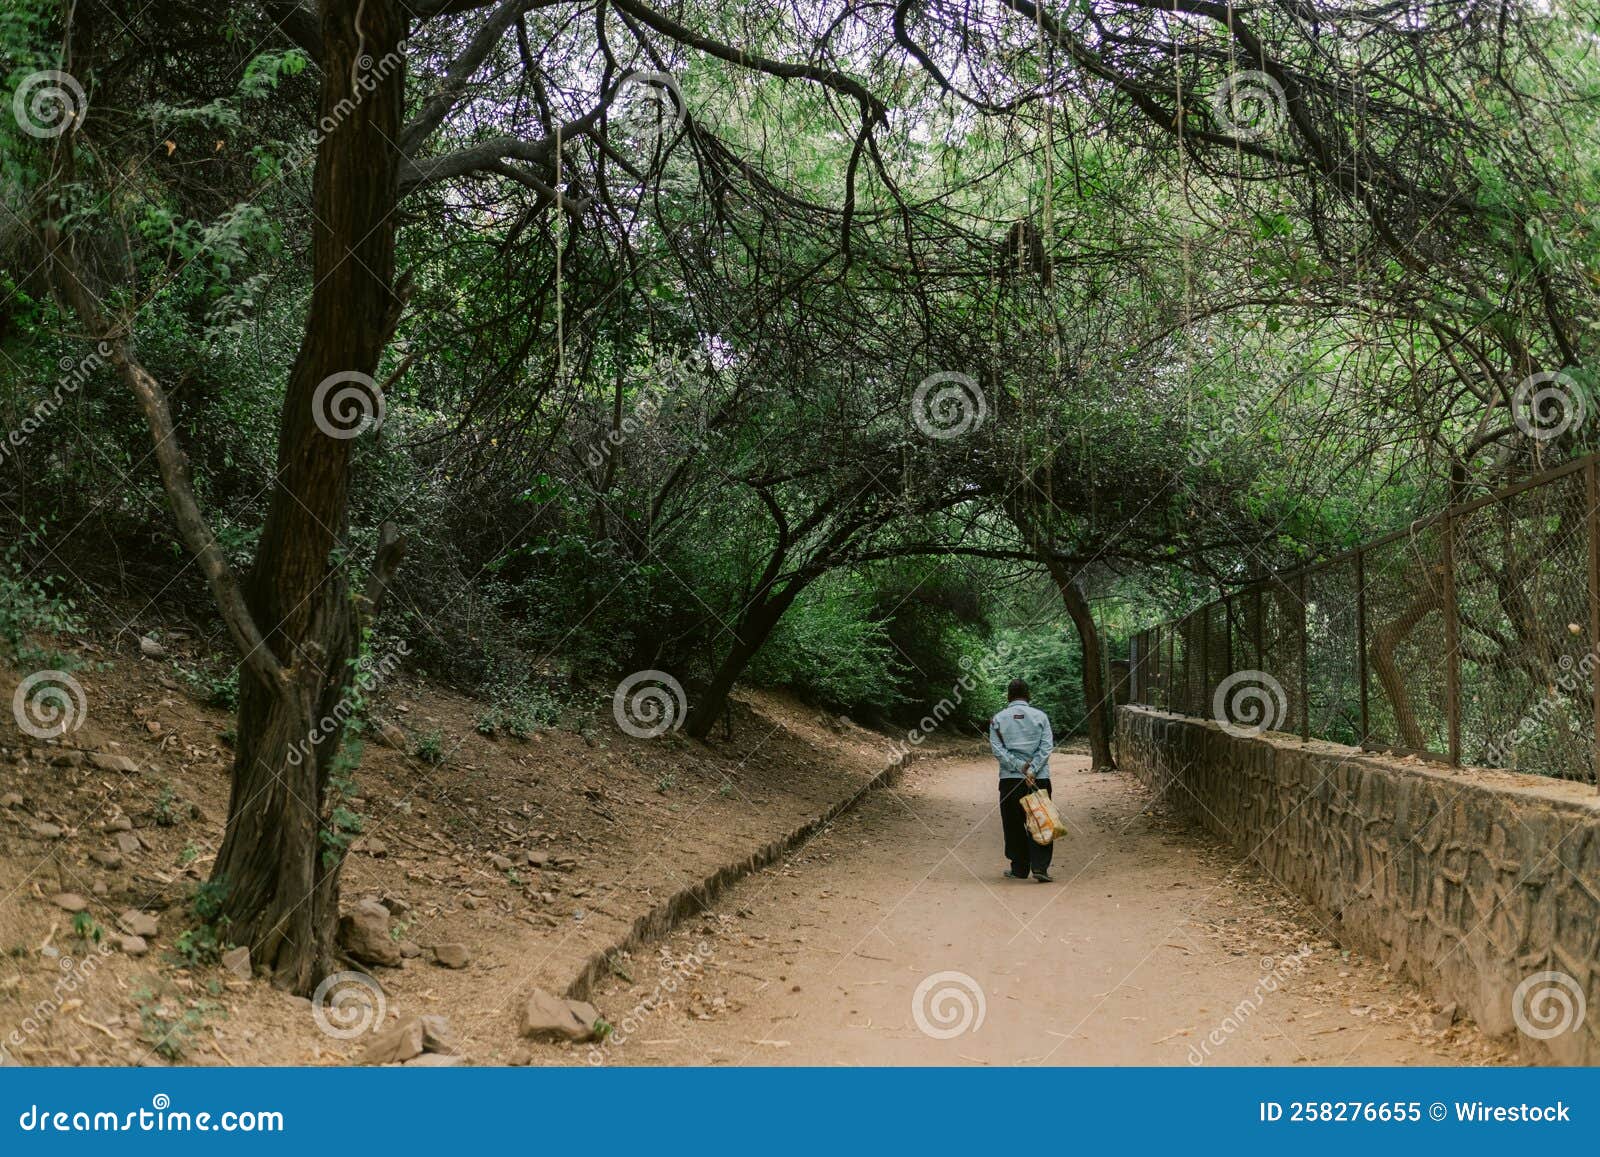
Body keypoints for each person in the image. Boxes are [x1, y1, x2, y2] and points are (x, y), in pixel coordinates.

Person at [988, 678, 1056, 882]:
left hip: (1010, 779)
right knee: (1041, 820)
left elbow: (998, 750)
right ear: (1028, 695)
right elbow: (1046, 746)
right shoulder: (1041, 717)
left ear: (1008, 696)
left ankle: (1019, 868)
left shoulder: (997, 719)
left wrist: (1019, 767)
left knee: (1013, 823)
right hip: (1038, 779)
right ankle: (1040, 867)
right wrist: (1033, 769)